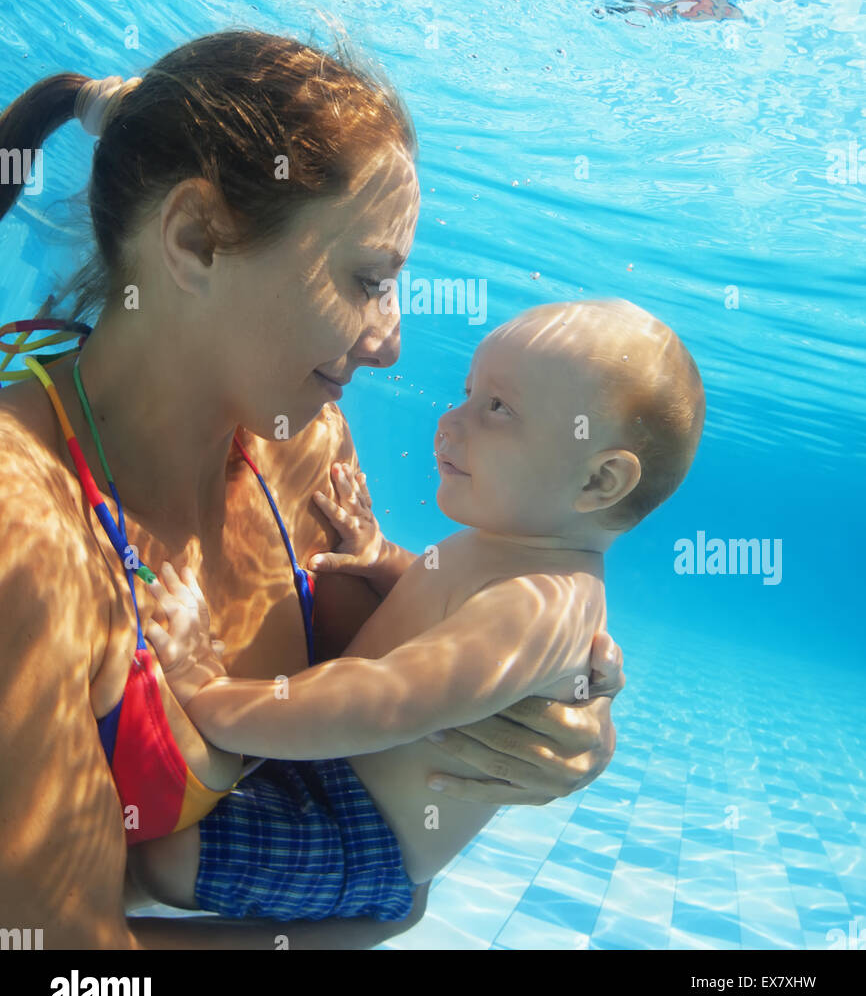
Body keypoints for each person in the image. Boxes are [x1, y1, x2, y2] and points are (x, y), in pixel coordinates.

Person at [0, 30, 625, 949]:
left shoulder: (297, 442)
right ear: (197, 239)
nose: (390, 341)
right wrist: (364, 925)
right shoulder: (25, 530)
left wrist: (563, 703)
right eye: (369, 279)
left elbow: (396, 661)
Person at [135, 298, 703, 923]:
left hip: (353, 833)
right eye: (467, 392)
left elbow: (387, 698)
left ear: (600, 482)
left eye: (498, 408)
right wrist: (380, 558)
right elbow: (444, 604)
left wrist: (208, 691)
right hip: (330, 776)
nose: (450, 421)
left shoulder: (545, 603)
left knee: (164, 861)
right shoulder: (513, 553)